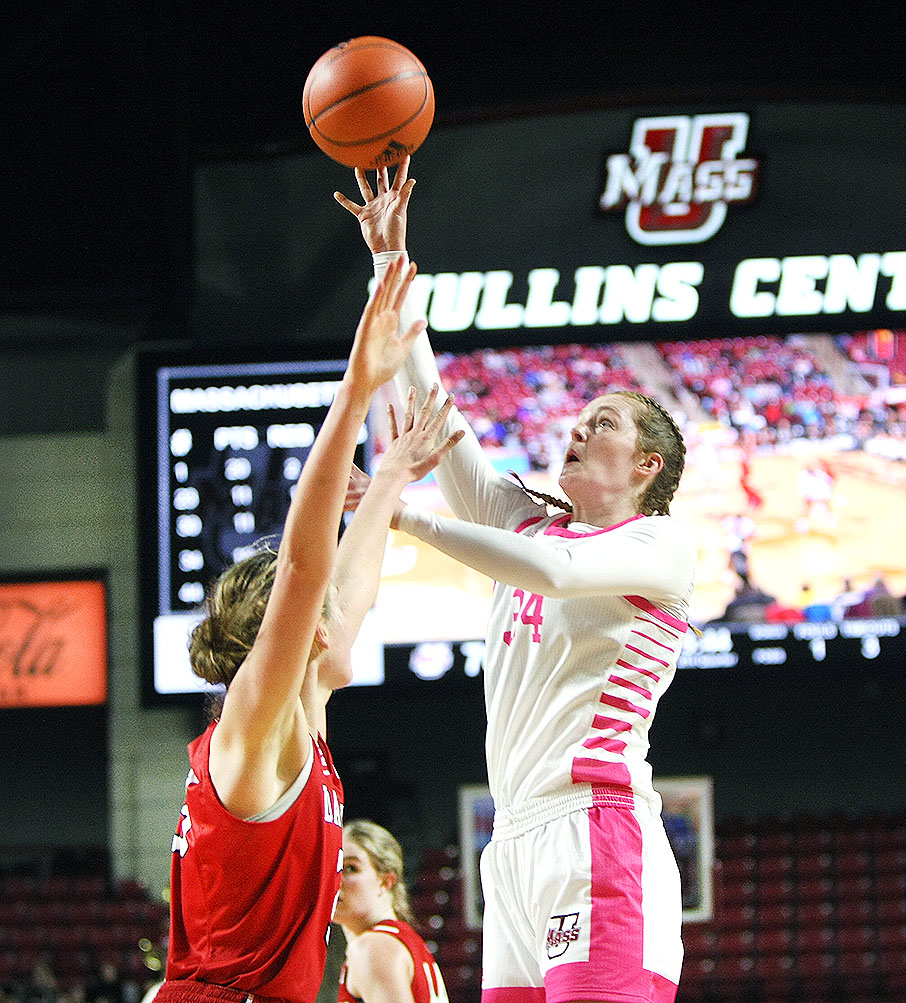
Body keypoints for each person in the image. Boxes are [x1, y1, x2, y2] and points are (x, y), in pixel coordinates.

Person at [337, 158, 696, 1003]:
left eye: (599, 424)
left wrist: (404, 510)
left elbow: (556, 570)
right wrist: (391, 263)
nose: (576, 429)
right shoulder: (529, 518)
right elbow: (440, 422)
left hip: (598, 832)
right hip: (514, 841)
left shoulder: (662, 545)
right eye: (576, 420)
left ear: (646, 464)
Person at [156, 262, 462, 1003]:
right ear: (296, 634)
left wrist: (389, 479)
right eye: (321, 616)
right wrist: (354, 391)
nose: (343, 617)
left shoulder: (302, 717)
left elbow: (344, 591)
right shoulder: (252, 722)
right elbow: (303, 564)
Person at [335, 819, 449, 1003]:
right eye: (333, 866)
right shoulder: (402, 940)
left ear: (386, 881)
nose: (336, 879)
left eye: (350, 868)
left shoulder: (372, 947)